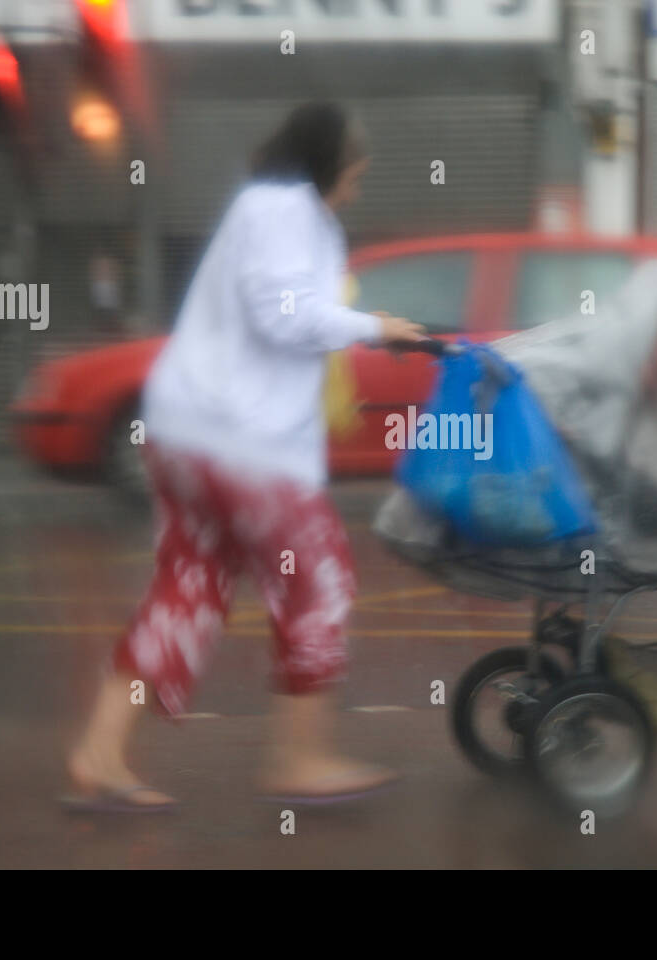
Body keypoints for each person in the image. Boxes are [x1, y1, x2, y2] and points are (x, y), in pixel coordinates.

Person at [64, 102, 426, 812]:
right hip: (241, 442)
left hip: (190, 434)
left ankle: (98, 754)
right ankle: (299, 758)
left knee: (188, 588)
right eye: (355, 161)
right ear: (326, 160)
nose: (361, 174)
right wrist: (373, 328)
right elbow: (283, 313)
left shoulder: (280, 212)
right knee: (316, 582)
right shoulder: (283, 209)